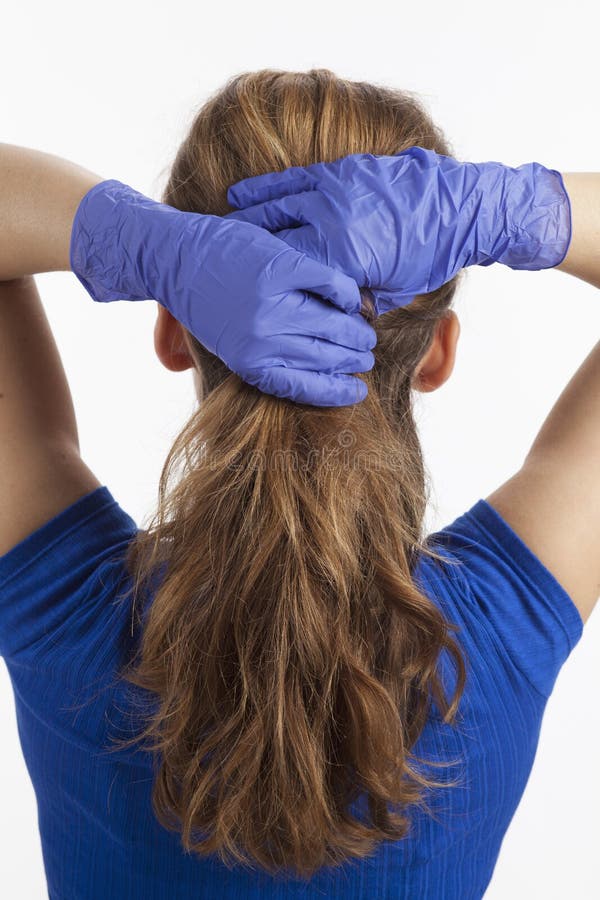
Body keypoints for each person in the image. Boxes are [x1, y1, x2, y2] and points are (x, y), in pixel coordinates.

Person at [0, 68, 596, 899]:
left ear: (172, 331)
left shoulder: (69, 610)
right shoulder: (493, 632)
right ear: (438, 353)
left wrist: (142, 242)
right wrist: (507, 210)